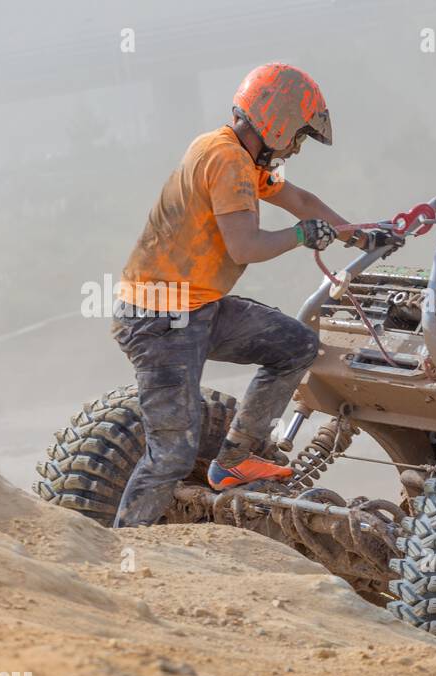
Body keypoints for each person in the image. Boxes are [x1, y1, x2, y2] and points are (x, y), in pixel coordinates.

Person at [110, 62, 388, 527]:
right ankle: (125, 553)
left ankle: (237, 457)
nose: (296, 148)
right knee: (171, 456)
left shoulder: (233, 153)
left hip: (196, 307)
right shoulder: (227, 161)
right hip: (159, 321)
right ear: (276, 120)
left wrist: (356, 235)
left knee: (295, 345)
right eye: (297, 136)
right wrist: (302, 236)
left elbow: (298, 199)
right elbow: (246, 246)